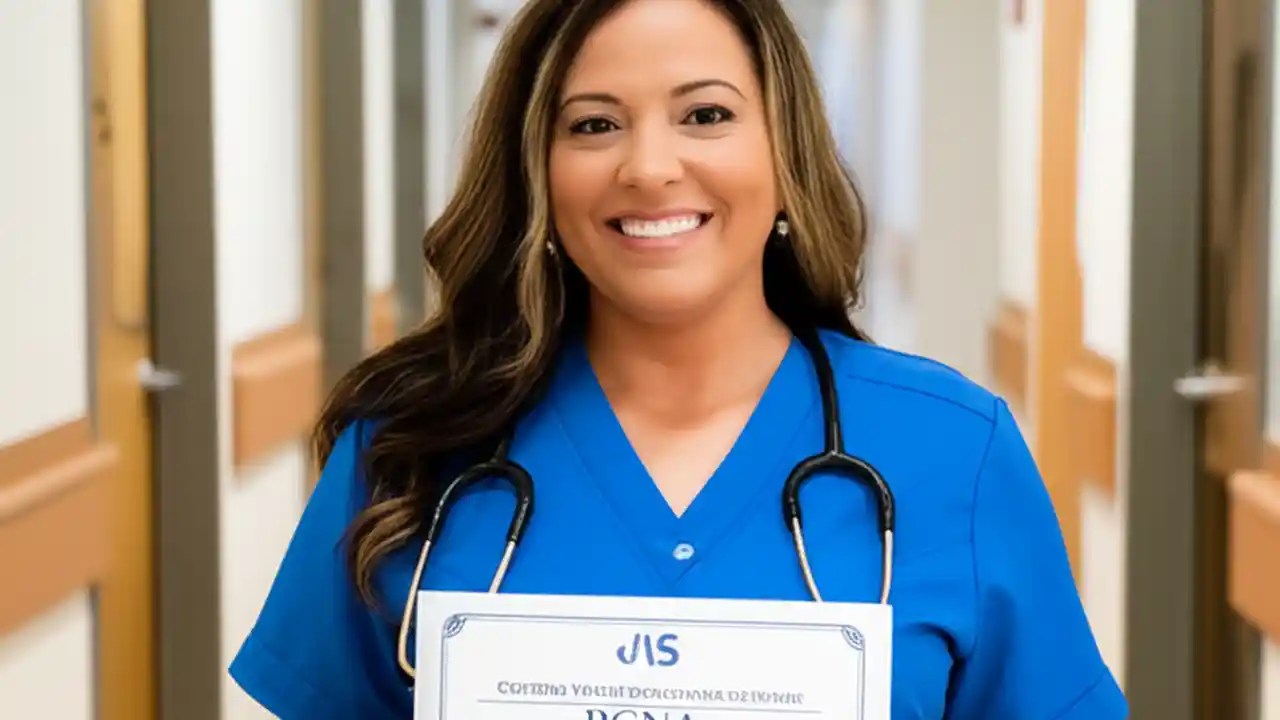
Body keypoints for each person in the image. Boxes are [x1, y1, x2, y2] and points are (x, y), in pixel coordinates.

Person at [230, 0, 1127, 717]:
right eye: (592, 126)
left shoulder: (952, 450)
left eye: (706, 114)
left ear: (785, 155)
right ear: (537, 172)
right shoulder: (411, 443)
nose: (650, 168)